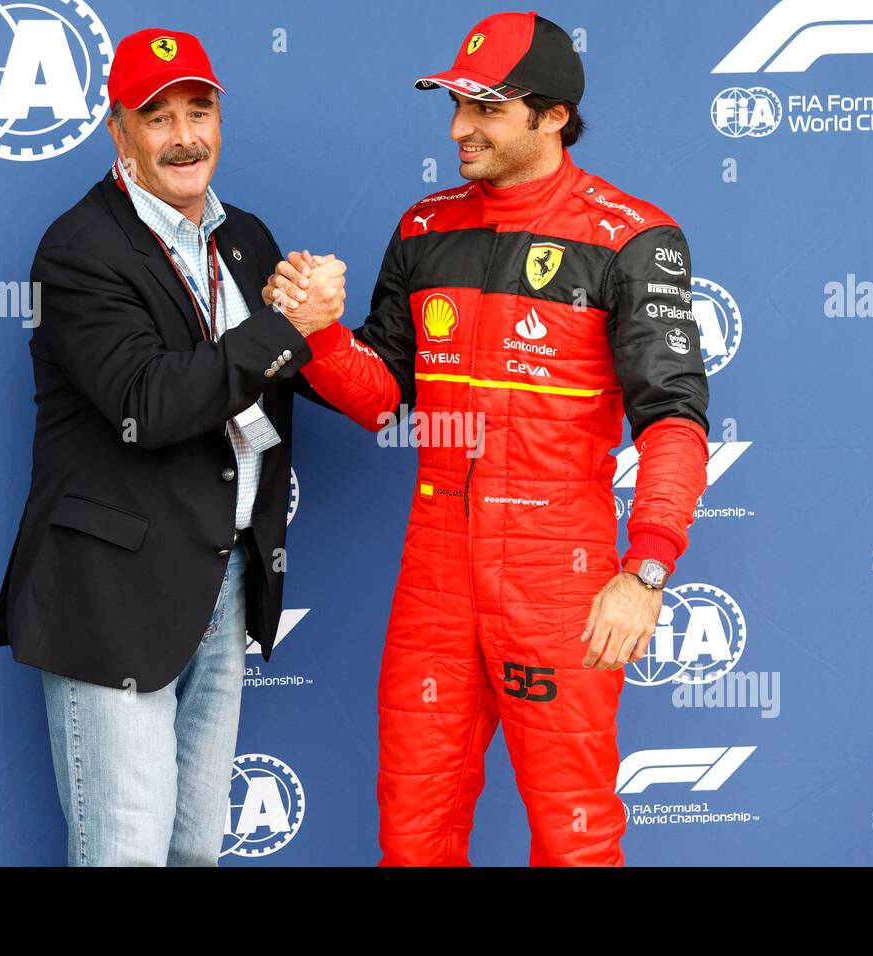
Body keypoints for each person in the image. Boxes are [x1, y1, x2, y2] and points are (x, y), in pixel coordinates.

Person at [265, 11, 710, 866]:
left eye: (486, 108)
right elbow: (383, 398)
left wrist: (646, 569)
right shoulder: (426, 227)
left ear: (552, 116)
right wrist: (320, 335)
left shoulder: (630, 237)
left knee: (575, 836)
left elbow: (675, 420)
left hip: (560, 573)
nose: (458, 128)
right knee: (413, 828)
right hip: (436, 570)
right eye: (455, 103)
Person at [0, 27, 343, 866]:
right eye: (158, 117)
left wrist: (332, 337)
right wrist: (285, 325)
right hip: (111, 596)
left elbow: (280, 369)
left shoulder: (246, 236)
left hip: (218, 574)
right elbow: (146, 404)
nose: (185, 136)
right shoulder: (79, 251)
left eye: (200, 110)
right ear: (121, 133)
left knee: (194, 852)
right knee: (126, 854)